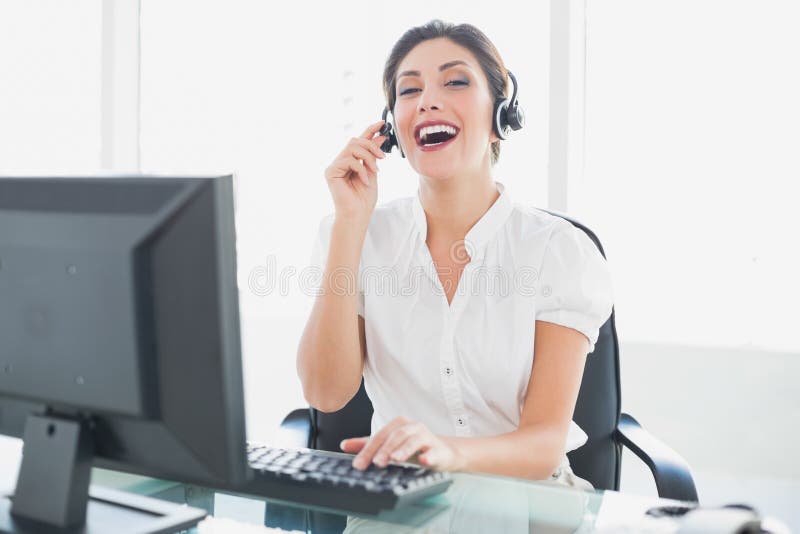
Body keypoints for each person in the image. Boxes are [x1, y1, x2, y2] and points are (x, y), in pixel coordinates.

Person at [296, 19, 613, 490]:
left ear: (501, 116)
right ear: (393, 129)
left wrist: (448, 454)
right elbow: (325, 392)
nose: (427, 99)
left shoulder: (557, 250)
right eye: (409, 90)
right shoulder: (357, 235)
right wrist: (349, 225)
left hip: (531, 502)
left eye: (456, 81)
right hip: (401, 501)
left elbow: (544, 444)